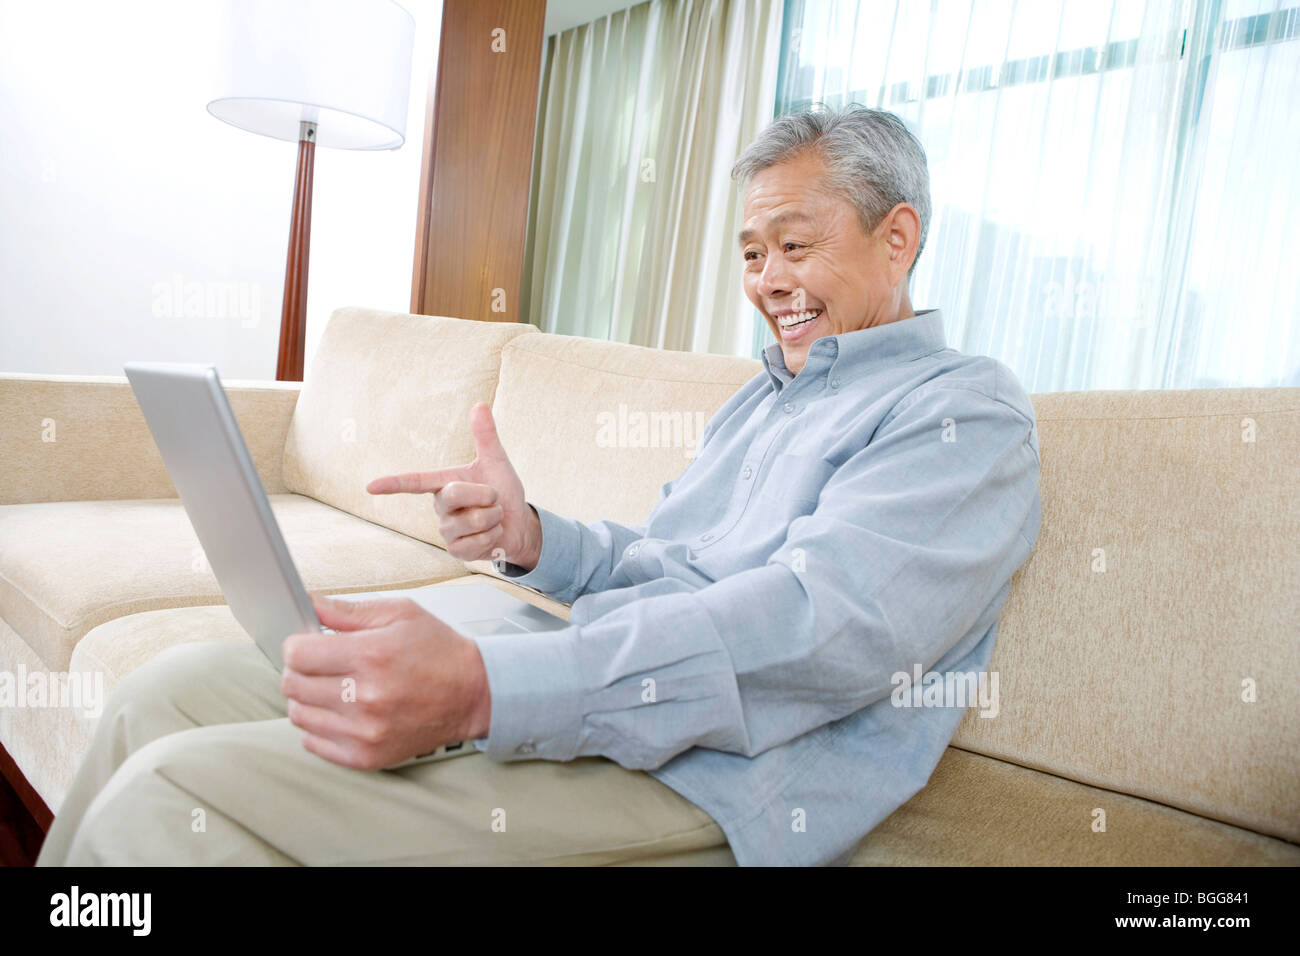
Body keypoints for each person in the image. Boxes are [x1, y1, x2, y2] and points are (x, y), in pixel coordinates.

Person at [37, 104, 1040, 867]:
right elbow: (668, 562)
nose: (768, 278)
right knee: (158, 695)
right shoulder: (762, 396)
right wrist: (531, 535)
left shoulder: (963, 415)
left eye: (793, 244)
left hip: (719, 767)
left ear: (896, 236)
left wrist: (482, 688)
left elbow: (806, 629)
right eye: (749, 251)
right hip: (589, 681)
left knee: (169, 793)